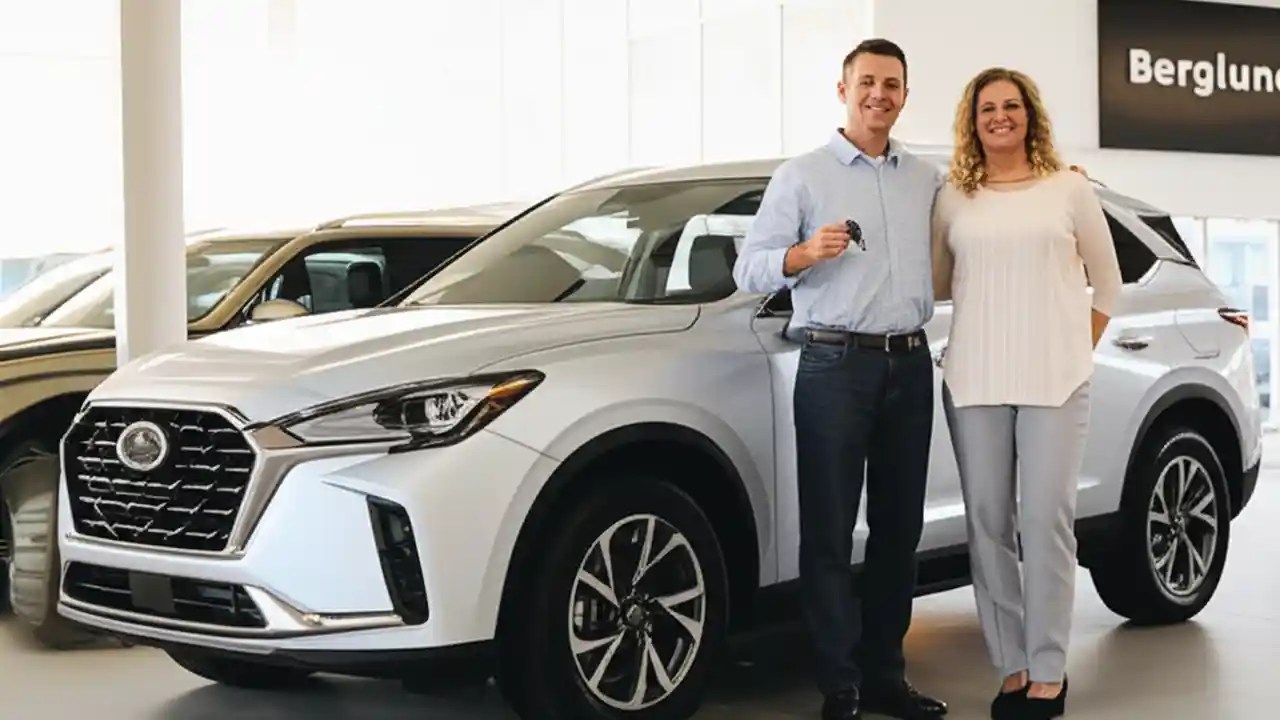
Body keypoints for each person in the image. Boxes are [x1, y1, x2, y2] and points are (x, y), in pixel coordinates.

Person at [733, 38, 947, 720]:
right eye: (867, 83)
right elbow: (748, 268)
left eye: (891, 84)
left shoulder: (925, 179)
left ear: (905, 95)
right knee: (828, 531)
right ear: (843, 90)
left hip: (910, 364)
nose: (879, 94)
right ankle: (840, 686)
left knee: (898, 531)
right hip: (834, 365)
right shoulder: (801, 175)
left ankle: (886, 675)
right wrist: (801, 253)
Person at [930, 67, 1123, 720]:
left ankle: (1049, 671)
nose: (1000, 116)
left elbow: (1110, 285)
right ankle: (1011, 664)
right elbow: (936, 283)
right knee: (987, 525)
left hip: (1055, 380)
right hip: (975, 378)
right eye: (988, 107)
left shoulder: (1068, 189)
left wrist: (1073, 348)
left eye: (1011, 105)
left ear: (1029, 116)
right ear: (973, 119)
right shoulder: (955, 196)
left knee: (1044, 522)